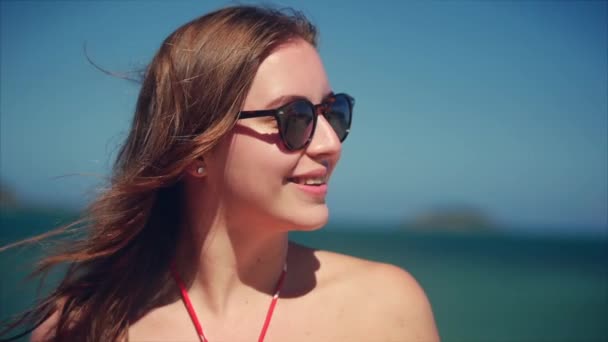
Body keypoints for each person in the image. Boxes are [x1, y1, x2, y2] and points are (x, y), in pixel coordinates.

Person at [2, 5, 439, 341]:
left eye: (334, 112)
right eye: (295, 117)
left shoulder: (384, 310)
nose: (330, 143)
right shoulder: (86, 326)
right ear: (196, 150)